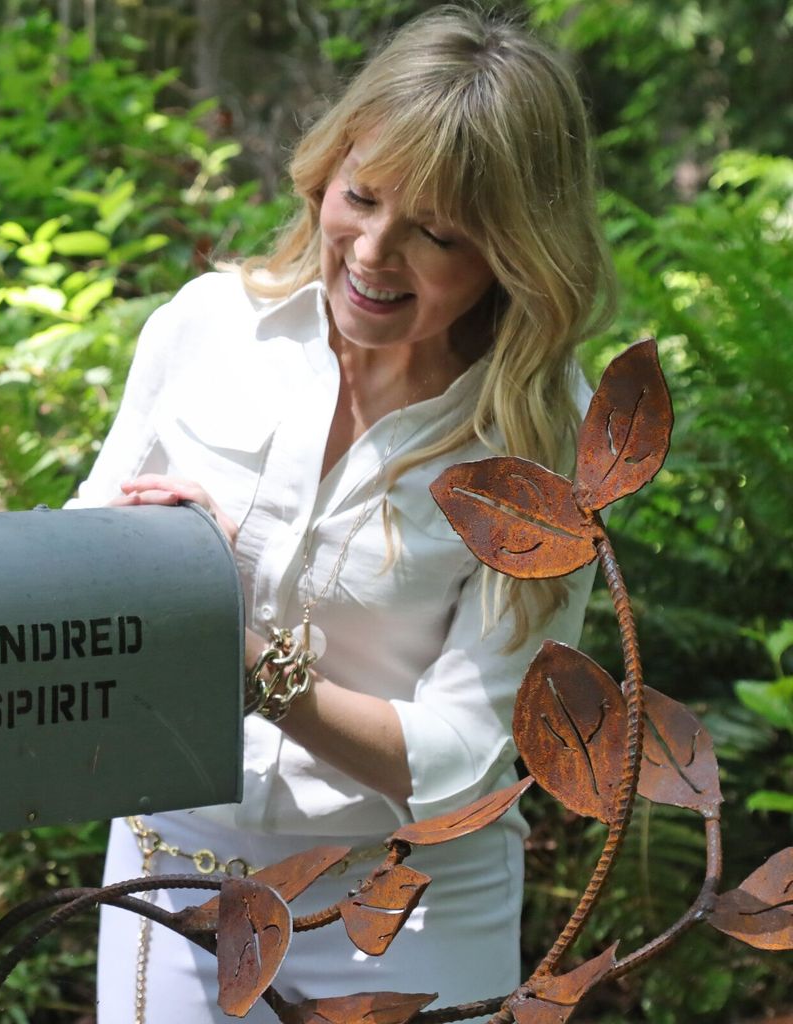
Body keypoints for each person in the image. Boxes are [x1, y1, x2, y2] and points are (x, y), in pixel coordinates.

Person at [69, 7, 615, 1021]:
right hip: (169, 863)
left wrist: (240, 654)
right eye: (360, 196)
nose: (372, 251)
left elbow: (466, 750)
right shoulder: (209, 326)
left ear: (515, 252)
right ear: (325, 170)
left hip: (409, 900)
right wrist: (149, 557)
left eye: (436, 234)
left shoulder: (545, 439)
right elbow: (73, 561)